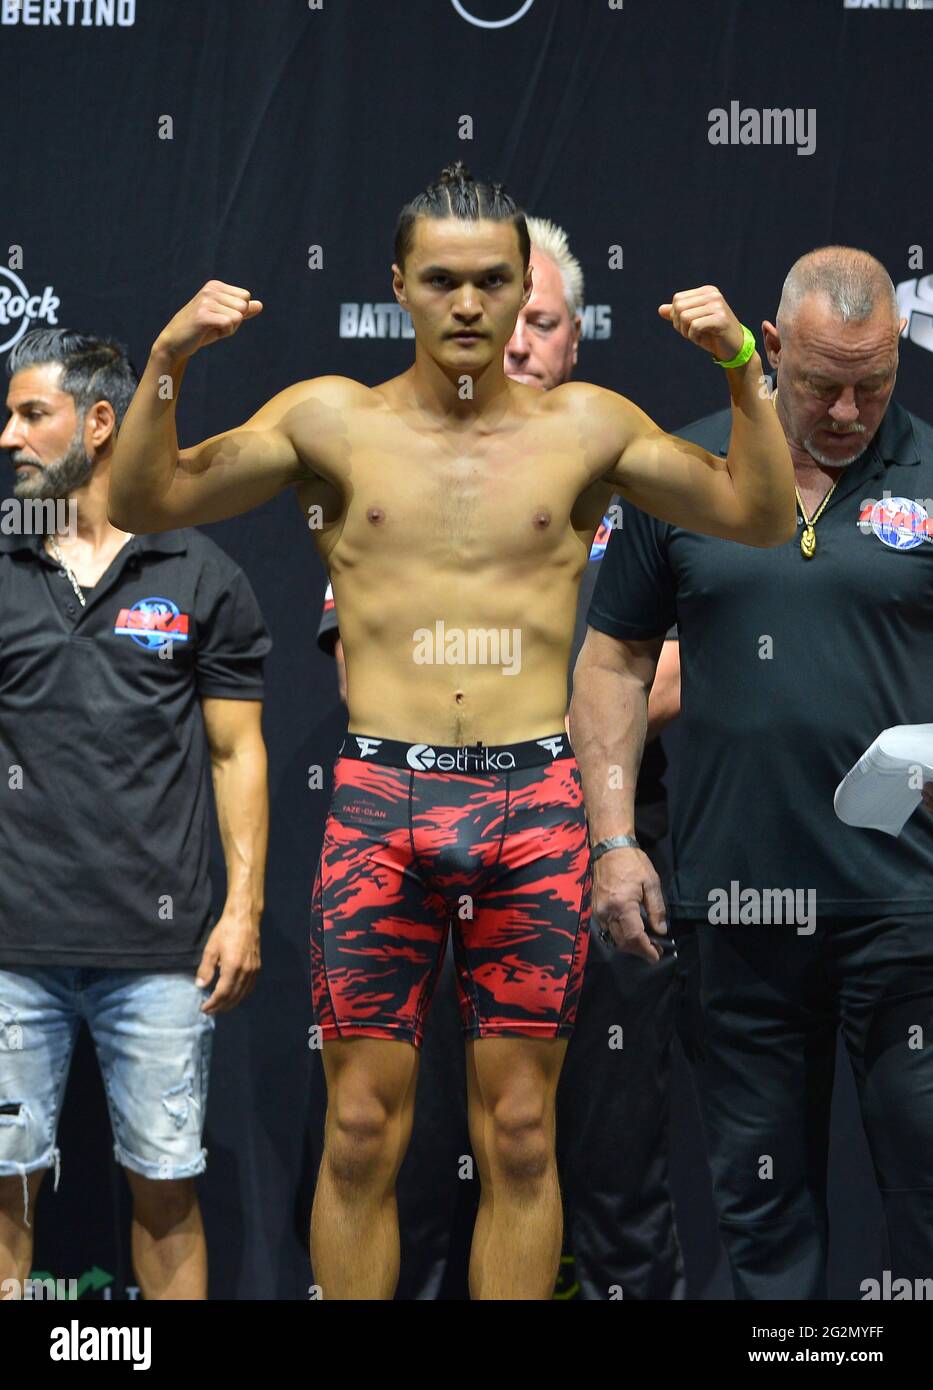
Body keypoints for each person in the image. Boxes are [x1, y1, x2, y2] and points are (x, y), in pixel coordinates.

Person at [108, 161, 794, 1300]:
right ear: (399, 287)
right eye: (441, 281)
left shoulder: (587, 426)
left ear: (527, 284)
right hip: (383, 796)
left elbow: (763, 515)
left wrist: (739, 368)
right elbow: (144, 500)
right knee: (362, 1129)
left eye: (492, 282)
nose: (469, 306)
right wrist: (170, 362)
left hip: (533, 800)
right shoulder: (330, 418)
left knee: (522, 1130)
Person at [315, 215, 687, 1299]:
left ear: (576, 334)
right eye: (499, 316)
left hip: (606, 843)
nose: (513, 338)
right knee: (409, 1154)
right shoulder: (396, 465)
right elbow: (365, 673)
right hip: (413, 831)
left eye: (541, 320)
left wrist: (545, 754)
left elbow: (673, 672)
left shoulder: (628, 471)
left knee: (602, 1159)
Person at [572, 246, 933, 1300]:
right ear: (771, 350)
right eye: (823, 383)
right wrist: (615, 839)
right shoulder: (680, 478)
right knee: (764, 1220)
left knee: (926, 1202)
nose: (850, 410)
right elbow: (614, 663)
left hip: (908, 911)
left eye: (875, 383)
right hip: (735, 910)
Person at [0, 330, 270, 1300]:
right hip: (11, 948)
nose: (8, 436)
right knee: (6, 1196)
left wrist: (242, 910)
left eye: (32, 414)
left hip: (158, 956)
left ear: (101, 422)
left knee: (164, 1193)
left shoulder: (197, 573)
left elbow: (239, 751)